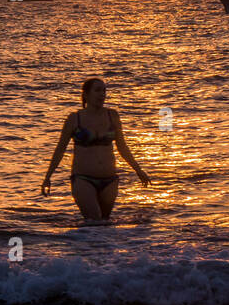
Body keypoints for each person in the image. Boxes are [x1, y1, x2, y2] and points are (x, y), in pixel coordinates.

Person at [41, 77, 150, 221]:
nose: (102, 94)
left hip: (110, 180)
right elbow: (60, 150)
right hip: (83, 179)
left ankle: (94, 244)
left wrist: (138, 170)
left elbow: (122, 147)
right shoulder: (75, 119)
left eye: (104, 91)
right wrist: (48, 177)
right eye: (97, 90)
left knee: (104, 225)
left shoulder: (112, 116)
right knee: (94, 219)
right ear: (86, 94)